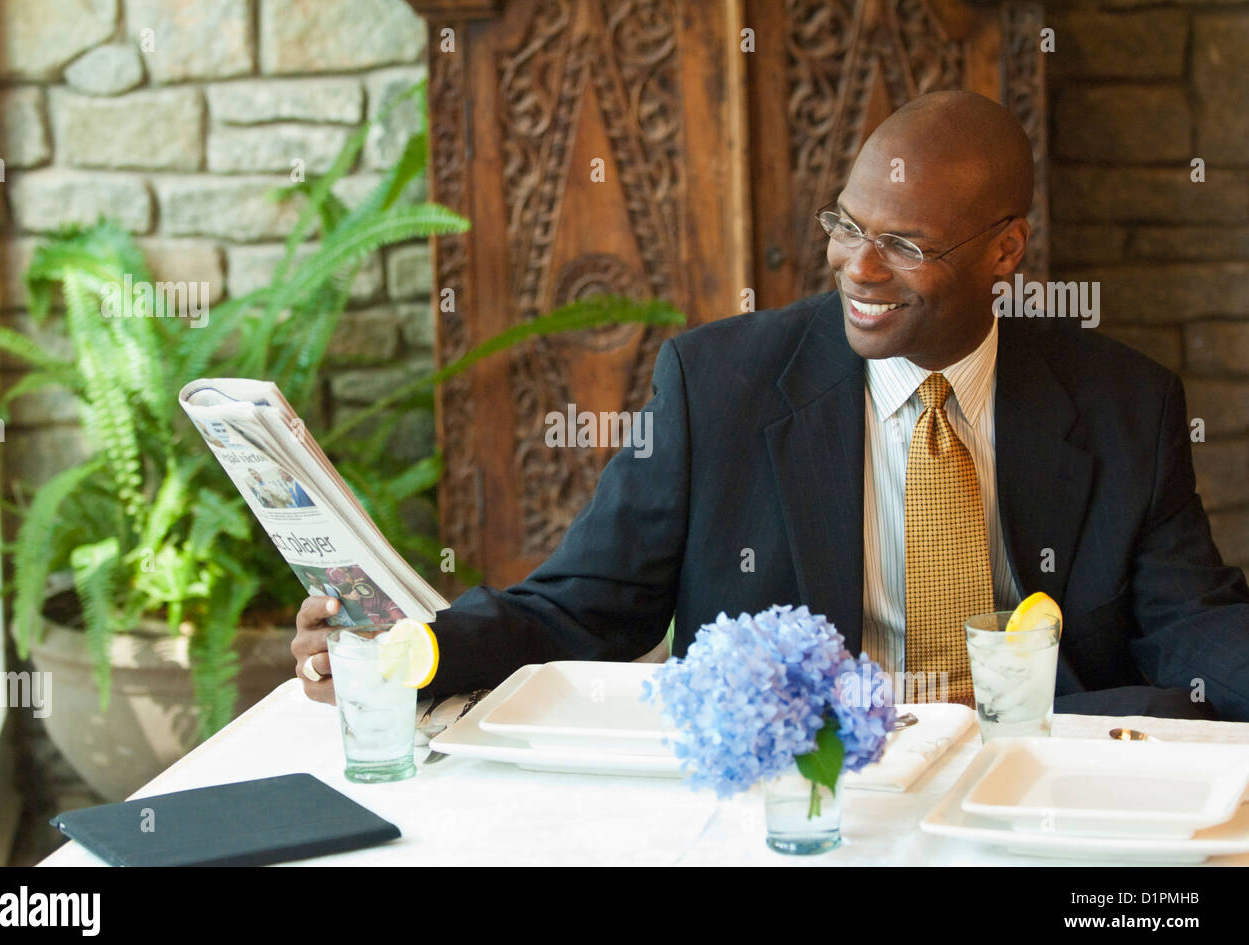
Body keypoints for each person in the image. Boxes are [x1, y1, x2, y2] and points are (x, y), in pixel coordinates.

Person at [293, 91, 1249, 721]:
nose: (859, 271)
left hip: (1034, 789)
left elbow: (1189, 625)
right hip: (808, 789)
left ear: (1005, 252)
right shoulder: (717, 387)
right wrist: (411, 651)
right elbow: (581, 606)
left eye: (905, 245)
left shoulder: (1127, 404)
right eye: (845, 225)